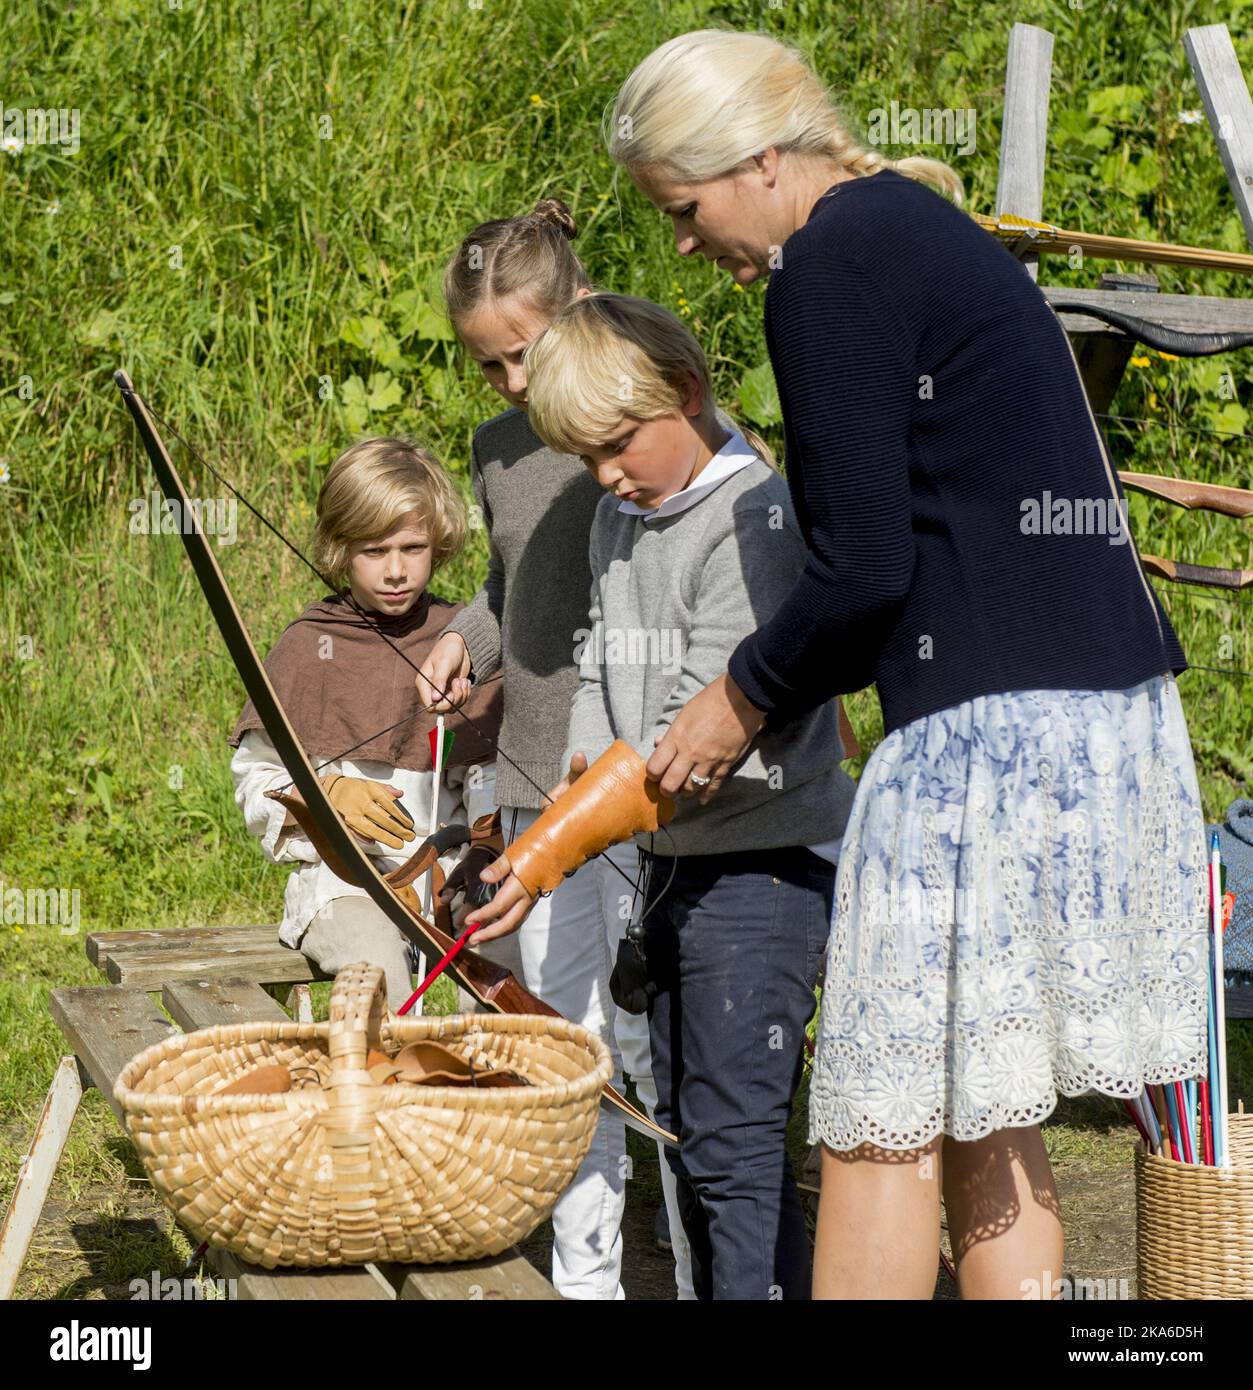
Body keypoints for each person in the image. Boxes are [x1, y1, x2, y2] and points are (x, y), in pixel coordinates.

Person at [601, 28, 1211, 1299]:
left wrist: (738, 696)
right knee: (988, 1109)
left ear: (759, 160)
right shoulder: (914, 232)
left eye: (684, 206)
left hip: (989, 735)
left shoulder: (822, 272)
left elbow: (864, 563)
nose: (681, 243)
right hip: (1101, 716)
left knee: (877, 1126)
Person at [464, 291, 857, 1300]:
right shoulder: (618, 517)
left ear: (683, 393)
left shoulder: (751, 519)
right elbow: (599, 678)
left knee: (729, 1144)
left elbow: (692, 747)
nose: (602, 476)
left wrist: (548, 850)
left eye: (615, 445)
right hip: (674, 866)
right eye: (581, 455)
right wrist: (561, 807)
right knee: (691, 1134)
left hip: (761, 868)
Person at [417, 200, 710, 1299]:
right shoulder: (501, 445)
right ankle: (583, 1281)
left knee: (649, 1051)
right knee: (561, 1045)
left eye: (521, 356)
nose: (504, 384)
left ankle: (696, 1273)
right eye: (484, 363)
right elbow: (509, 591)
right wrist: (465, 642)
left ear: (578, 310)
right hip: (535, 780)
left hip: (632, 784)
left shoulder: (639, 420)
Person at [228, 436, 502, 1012]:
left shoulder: (464, 640)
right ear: (340, 547)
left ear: (439, 543)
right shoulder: (309, 646)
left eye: (413, 547)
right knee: (377, 974)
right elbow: (256, 781)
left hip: (450, 881)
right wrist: (323, 793)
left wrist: (479, 850)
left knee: (500, 989)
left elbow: (491, 779)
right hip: (343, 886)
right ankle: (386, 1093)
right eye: (375, 550)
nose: (397, 571)